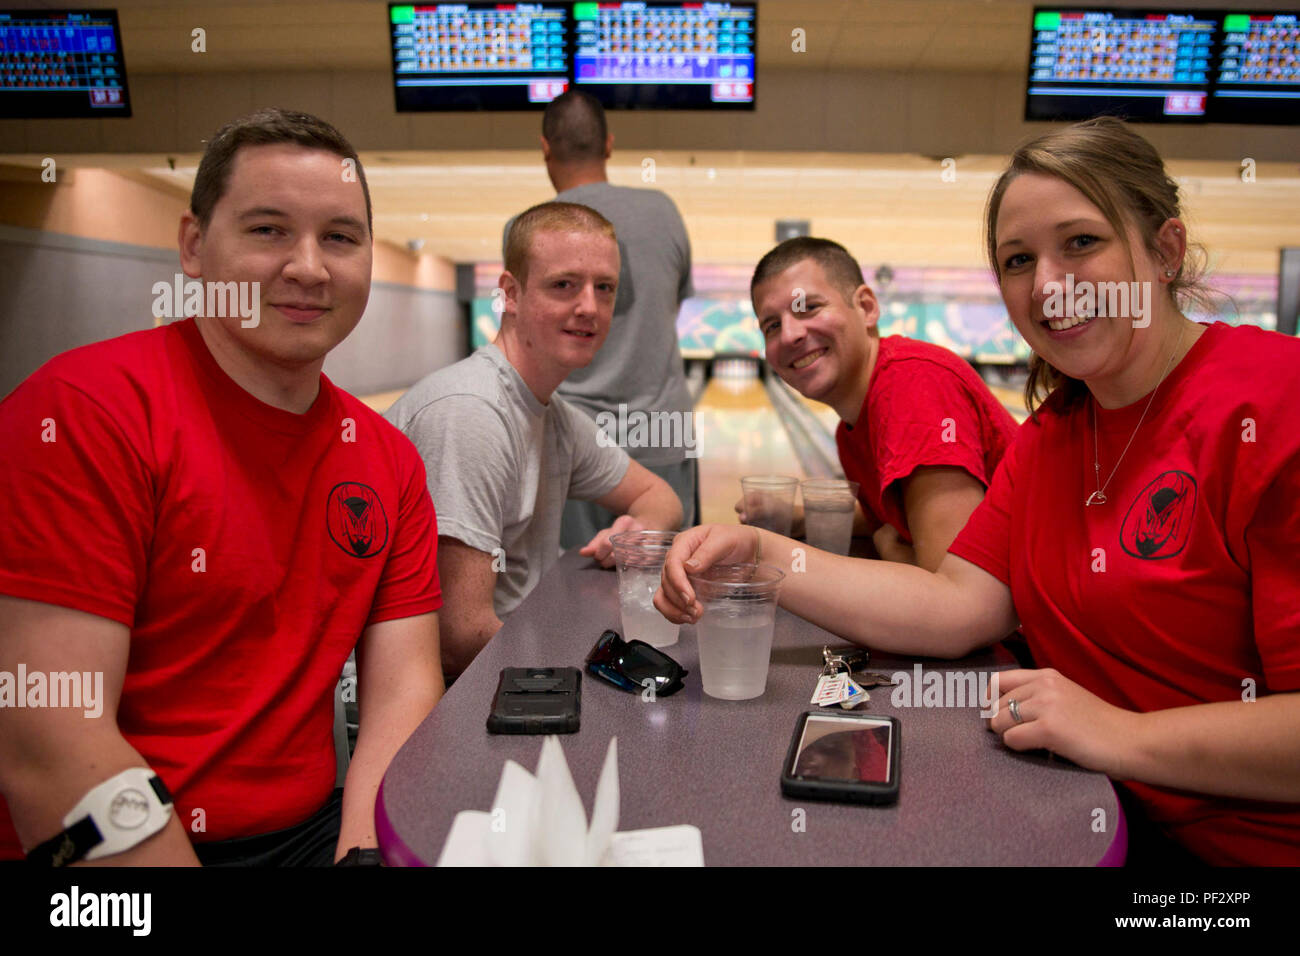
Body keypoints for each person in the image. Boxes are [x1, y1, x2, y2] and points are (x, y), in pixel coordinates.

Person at [657, 117, 1300, 865]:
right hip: (1090, 807)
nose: (1048, 285)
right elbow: (952, 607)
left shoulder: (1277, 402)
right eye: (1019, 259)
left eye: (1081, 243)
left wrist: (1120, 733)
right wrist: (762, 551)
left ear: (1164, 251)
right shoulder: (1057, 433)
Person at [0, 109, 445, 866]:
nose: (309, 267)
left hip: (304, 837)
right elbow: (49, 743)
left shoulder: (388, 460)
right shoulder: (81, 414)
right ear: (195, 248)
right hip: (97, 851)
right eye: (268, 230)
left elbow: (403, 692)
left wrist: (365, 856)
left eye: (340, 237)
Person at [389, 202, 682, 678]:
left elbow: (661, 497)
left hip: (498, 663)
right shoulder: (472, 413)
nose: (589, 307)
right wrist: (591, 669)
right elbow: (460, 637)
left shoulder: (556, 417)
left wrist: (633, 532)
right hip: (433, 699)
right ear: (511, 294)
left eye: (604, 287)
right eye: (564, 285)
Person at [748, 237, 1020, 570]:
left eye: (809, 308)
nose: (789, 334)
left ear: (866, 307)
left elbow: (956, 594)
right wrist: (802, 517)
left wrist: (891, 549)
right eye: (772, 326)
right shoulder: (849, 432)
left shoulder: (914, 386)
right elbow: (903, 515)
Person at [507, 89, 696, 548]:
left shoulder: (528, 228)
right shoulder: (664, 211)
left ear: (545, 147)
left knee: (576, 585)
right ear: (609, 144)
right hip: (660, 431)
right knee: (669, 583)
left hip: (572, 438)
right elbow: (671, 306)